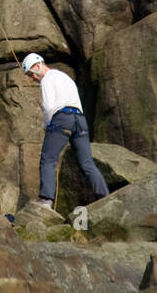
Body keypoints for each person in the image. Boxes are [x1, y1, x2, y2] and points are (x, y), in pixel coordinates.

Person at [22, 53, 109, 207]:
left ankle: (46, 199)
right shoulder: (65, 77)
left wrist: (47, 125)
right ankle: (105, 196)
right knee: (87, 162)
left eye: (30, 74)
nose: (32, 78)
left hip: (62, 118)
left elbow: (49, 107)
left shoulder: (47, 79)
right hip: (80, 120)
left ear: (37, 66)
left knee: (48, 159)